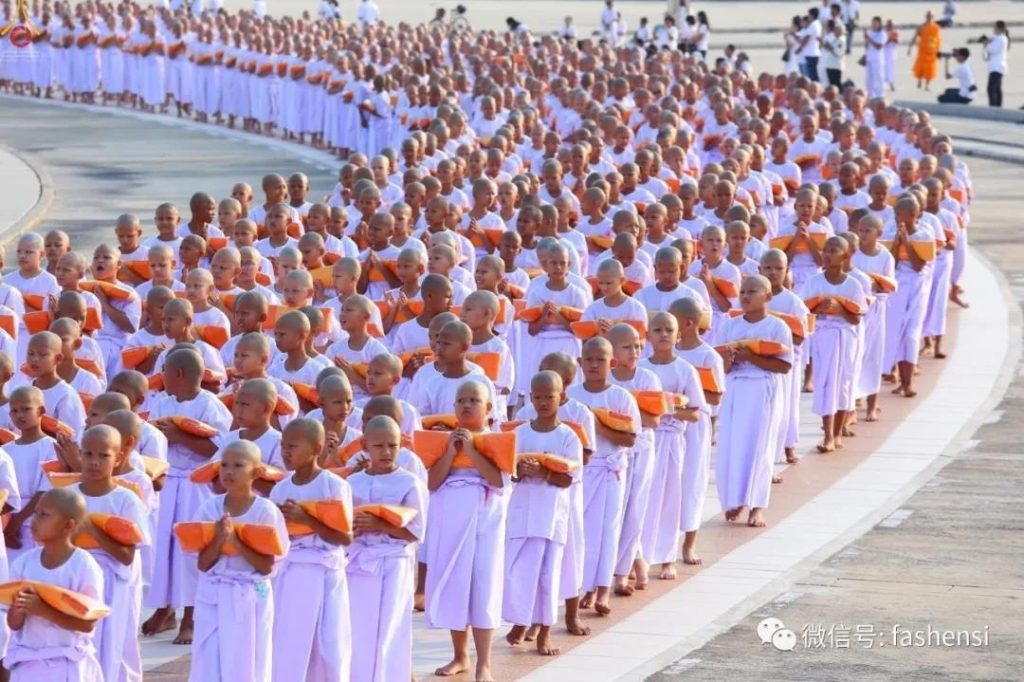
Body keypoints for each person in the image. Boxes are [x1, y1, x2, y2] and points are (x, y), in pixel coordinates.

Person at [189, 440, 289, 682]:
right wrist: (218, 540)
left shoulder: (265, 511)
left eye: (238, 465)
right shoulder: (209, 508)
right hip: (213, 593)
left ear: (255, 472)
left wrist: (236, 542)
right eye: (224, 465)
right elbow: (202, 564)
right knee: (209, 659)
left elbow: (267, 566)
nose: (229, 472)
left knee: (247, 662)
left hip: (249, 595)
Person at [503, 371, 580, 656]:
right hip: (523, 514)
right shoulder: (519, 434)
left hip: (551, 518)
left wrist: (545, 471)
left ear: (562, 396)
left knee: (548, 577)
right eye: (538, 396)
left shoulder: (568, 437)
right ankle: (520, 622)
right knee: (518, 574)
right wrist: (518, 471)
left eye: (550, 396)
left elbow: (569, 479)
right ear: (531, 397)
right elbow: (506, 472)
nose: (544, 402)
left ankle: (544, 633)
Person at [270, 418, 353, 681]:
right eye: (283, 445)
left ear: (317, 449)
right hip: (290, 573)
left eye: (293, 446)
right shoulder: (280, 488)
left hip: (325, 572)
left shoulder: (334, 485)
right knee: (289, 641)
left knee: (329, 644)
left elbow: (345, 537)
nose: (286, 452)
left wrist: (307, 519)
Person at [5, 488, 106, 681]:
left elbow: (87, 624)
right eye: (35, 513)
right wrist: (19, 608)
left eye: (44, 515)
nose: (34, 521)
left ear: (68, 525)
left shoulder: (84, 566)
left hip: (68, 664)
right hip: (28, 664)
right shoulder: (23, 563)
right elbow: (13, 624)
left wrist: (43, 610)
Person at [909, 11, 941, 91]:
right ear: (925, 17)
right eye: (928, 16)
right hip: (922, 50)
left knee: (930, 68)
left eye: (931, 16)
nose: (930, 17)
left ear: (934, 17)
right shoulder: (921, 27)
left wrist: (938, 50)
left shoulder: (936, 27)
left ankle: (927, 85)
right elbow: (915, 37)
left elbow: (938, 40)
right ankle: (919, 79)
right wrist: (910, 47)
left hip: (932, 51)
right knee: (920, 66)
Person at [983, 21, 1009, 107]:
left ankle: (994, 106)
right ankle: (998, 106)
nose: (993, 29)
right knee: (997, 88)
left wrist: (986, 44)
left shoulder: (1002, 39)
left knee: (991, 88)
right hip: (995, 66)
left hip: (997, 67)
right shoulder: (997, 38)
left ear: (1000, 28)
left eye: (995, 27)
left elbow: (993, 50)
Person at [822, 20, 847, 87]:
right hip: (831, 65)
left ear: (839, 31)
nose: (834, 32)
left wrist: (829, 47)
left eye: (836, 30)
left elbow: (838, 53)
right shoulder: (836, 39)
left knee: (836, 84)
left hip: (835, 66)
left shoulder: (841, 40)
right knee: (832, 84)